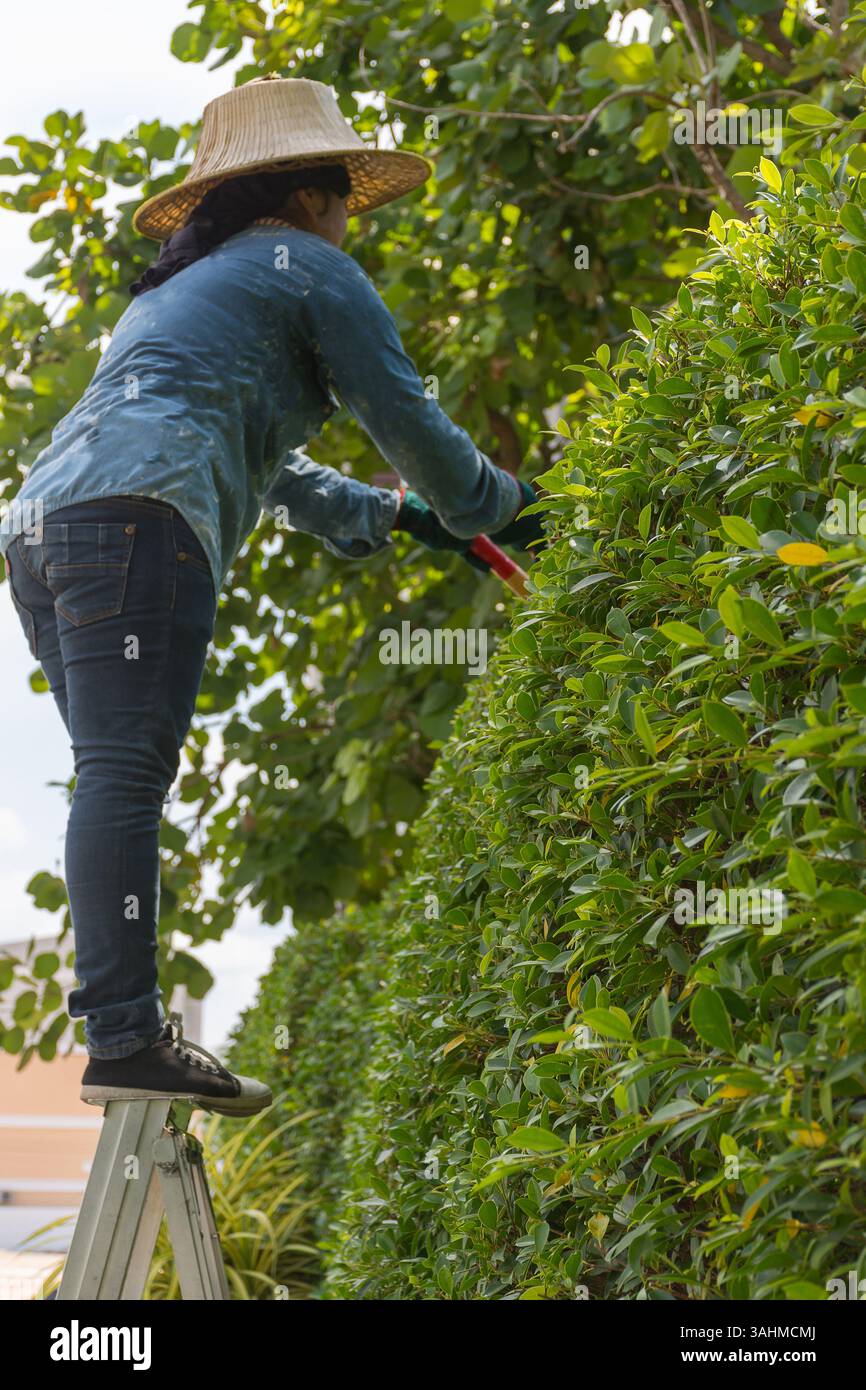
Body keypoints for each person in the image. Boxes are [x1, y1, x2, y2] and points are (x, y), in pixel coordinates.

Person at [0, 75, 543, 1115]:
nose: (350, 222)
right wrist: (500, 506)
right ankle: (122, 1035)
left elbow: (267, 461)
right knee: (122, 776)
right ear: (308, 198)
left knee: (110, 779)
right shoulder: (313, 271)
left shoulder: (179, 291)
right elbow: (409, 424)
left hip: (44, 532)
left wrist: (389, 518)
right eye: (344, 196)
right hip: (141, 525)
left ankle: (126, 1030)